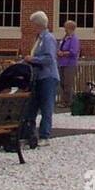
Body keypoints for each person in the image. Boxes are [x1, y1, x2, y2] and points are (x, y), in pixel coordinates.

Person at [23, 10, 59, 145]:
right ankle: (29, 134)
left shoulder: (48, 38)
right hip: (37, 77)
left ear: (38, 25)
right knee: (32, 106)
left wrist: (33, 59)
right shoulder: (38, 39)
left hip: (47, 76)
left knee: (46, 106)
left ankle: (45, 135)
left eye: (33, 24)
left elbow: (49, 58)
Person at [57, 19, 80, 108]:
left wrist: (63, 53)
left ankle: (67, 102)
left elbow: (74, 52)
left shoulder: (74, 39)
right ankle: (66, 100)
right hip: (62, 63)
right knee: (62, 83)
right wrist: (58, 51)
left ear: (70, 28)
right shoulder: (65, 38)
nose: (64, 29)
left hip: (70, 64)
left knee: (68, 83)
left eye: (66, 27)